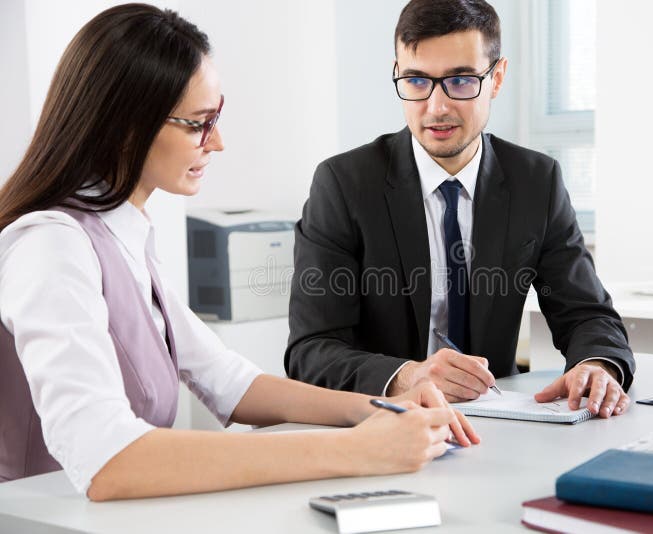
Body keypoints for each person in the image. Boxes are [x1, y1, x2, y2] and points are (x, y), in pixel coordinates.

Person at [0, 3, 478, 502]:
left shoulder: (125, 239)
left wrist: (381, 408)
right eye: (198, 123)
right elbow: (106, 459)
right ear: (125, 127)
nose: (218, 142)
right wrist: (359, 451)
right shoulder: (51, 245)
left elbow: (231, 383)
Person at [286, 0, 635, 418]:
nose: (436, 107)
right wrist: (407, 375)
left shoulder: (535, 182)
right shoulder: (344, 185)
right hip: (383, 423)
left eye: (461, 81)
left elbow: (586, 313)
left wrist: (595, 365)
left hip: (501, 425)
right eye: (416, 81)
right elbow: (311, 351)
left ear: (497, 78)